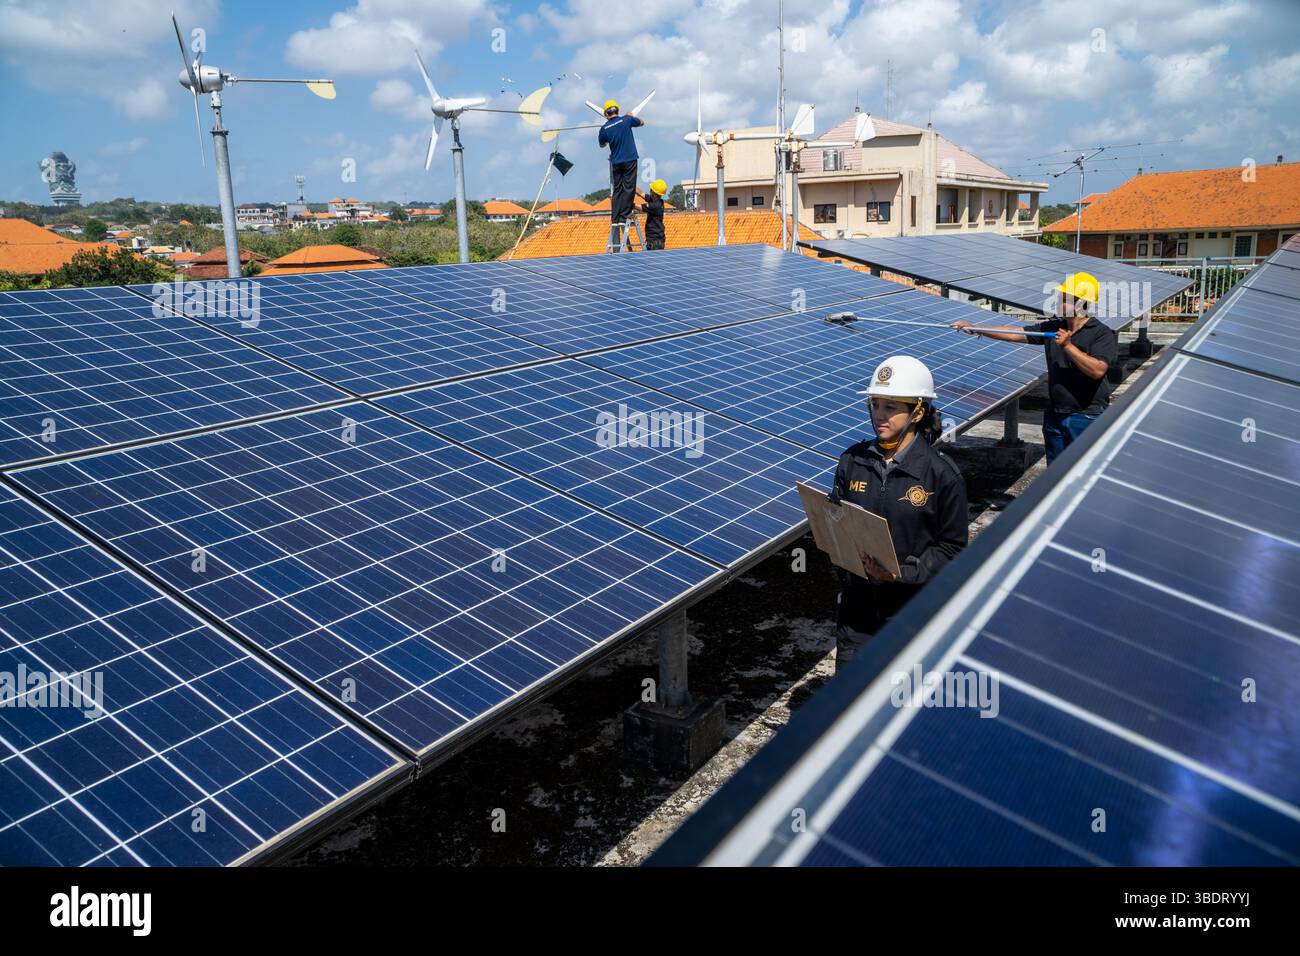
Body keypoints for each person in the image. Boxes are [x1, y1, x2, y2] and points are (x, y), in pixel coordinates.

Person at [829, 356, 968, 670]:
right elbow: (836, 518)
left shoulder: (941, 475)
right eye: (875, 404)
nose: (879, 415)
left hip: (912, 618)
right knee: (850, 707)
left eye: (891, 407)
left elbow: (954, 550)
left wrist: (900, 573)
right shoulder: (852, 461)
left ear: (917, 412)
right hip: (857, 617)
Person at [950, 271, 1116, 464]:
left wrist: (1068, 346)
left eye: (1063, 298)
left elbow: (1097, 370)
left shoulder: (1101, 334)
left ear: (1079, 303)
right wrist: (978, 328)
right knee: (1054, 476)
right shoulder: (1055, 327)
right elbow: (1017, 333)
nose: (1057, 301)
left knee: (1083, 473)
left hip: (1086, 417)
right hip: (1055, 415)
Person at [597, 99, 644, 226]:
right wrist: (631, 116)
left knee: (617, 189)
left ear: (606, 114)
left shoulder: (604, 128)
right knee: (629, 187)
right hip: (629, 158)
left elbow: (602, 145)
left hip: (616, 162)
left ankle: (615, 217)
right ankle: (624, 215)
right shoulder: (626, 120)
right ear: (617, 110)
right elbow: (641, 123)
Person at [644, 179, 668, 250]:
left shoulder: (655, 206)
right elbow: (642, 194)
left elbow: (639, 207)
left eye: (651, 190)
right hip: (657, 240)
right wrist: (631, 186)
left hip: (654, 242)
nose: (650, 191)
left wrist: (627, 202)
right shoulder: (659, 201)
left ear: (654, 193)